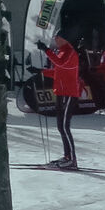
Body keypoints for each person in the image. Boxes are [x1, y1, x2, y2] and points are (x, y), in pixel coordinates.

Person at [44, 34, 83, 169]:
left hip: (69, 93)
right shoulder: (61, 51)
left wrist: (46, 51)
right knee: (61, 126)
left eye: (58, 38)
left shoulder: (70, 52)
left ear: (65, 39)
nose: (55, 40)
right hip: (61, 92)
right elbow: (58, 71)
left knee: (65, 127)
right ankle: (67, 156)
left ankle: (72, 159)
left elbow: (61, 63)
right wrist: (41, 72)